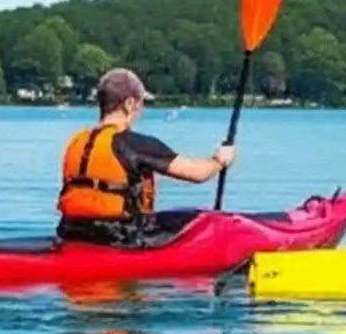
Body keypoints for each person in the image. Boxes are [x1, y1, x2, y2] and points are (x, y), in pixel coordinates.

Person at [56, 67, 237, 247]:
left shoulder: (76, 142)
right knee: (204, 220)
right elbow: (198, 174)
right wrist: (219, 160)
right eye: (141, 103)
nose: (141, 110)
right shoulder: (134, 144)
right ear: (129, 104)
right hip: (119, 237)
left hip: (72, 231)